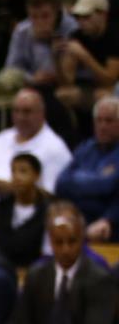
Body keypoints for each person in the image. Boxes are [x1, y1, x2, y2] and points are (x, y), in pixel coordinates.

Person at [0, 87, 73, 190]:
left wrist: (13, 189)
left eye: (27, 111)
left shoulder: (55, 148)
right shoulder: (1, 139)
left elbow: (52, 192)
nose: (20, 117)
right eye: (16, 111)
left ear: (41, 113)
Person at [0, 152, 56, 268]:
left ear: (37, 176)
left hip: (31, 269)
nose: (17, 177)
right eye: (13, 171)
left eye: (23, 171)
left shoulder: (49, 211)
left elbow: (47, 255)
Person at [57, 95, 119, 239]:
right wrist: (98, 179)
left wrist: (108, 219)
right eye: (99, 120)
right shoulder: (85, 148)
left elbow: (109, 186)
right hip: (79, 218)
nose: (103, 126)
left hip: (110, 222)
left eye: (109, 121)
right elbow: (61, 183)